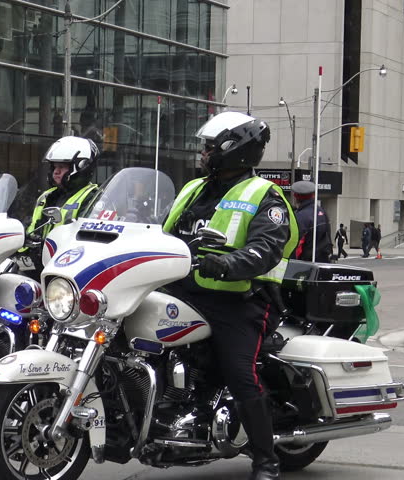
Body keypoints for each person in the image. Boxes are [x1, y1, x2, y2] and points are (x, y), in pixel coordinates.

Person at [162, 111, 298, 480]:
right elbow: (161, 233)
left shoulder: (264, 195)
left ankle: (266, 460)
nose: (204, 154)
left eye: (210, 148)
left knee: (240, 373)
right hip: (183, 292)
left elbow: (267, 248)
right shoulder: (193, 189)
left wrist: (226, 264)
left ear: (235, 150)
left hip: (239, 300)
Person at [26, 136, 99, 240]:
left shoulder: (93, 199)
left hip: (68, 255)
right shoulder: (46, 197)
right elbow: (30, 227)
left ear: (82, 166)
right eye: (54, 166)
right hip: (40, 255)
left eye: (62, 166)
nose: (56, 171)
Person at [290, 180, 332, 263]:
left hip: (305, 263)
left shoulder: (299, 216)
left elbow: (297, 244)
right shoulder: (322, 212)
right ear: (313, 195)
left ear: (295, 196)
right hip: (322, 260)